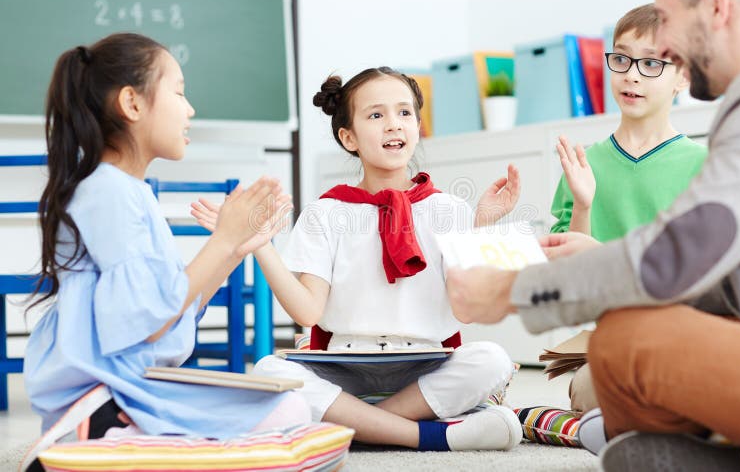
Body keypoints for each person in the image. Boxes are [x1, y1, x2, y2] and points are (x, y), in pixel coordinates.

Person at [445, 0, 740, 470]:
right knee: (624, 389)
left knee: (623, 345)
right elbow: (720, 272)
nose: (665, 46)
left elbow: (676, 257)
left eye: (668, 20)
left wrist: (509, 291)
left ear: (716, 6)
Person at [192, 66, 523, 452]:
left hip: (424, 366)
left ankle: (360, 424)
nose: (393, 124)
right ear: (348, 137)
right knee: (268, 369)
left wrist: (481, 229)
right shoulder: (325, 212)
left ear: (418, 126)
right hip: (344, 366)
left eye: (404, 112)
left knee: (492, 359)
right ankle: (427, 435)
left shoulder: (449, 209)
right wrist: (261, 246)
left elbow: (466, 312)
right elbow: (308, 312)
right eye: (376, 115)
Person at [22, 33, 310, 469]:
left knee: (291, 408)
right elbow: (150, 320)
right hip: (106, 395)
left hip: (131, 385)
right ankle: (98, 440)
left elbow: (173, 307)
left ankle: (123, 444)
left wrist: (235, 250)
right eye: (178, 92)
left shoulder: (126, 190)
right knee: (285, 416)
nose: (190, 109)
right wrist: (223, 240)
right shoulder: (108, 192)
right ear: (132, 104)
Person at [550, 3, 707, 414]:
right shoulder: (585, 165)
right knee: (590, 389)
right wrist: (583, 205)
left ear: (683, 77)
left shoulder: (704, 166)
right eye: (621, 59)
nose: (632, 75)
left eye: (651, 63)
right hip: (616, 344)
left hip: (685, 337)